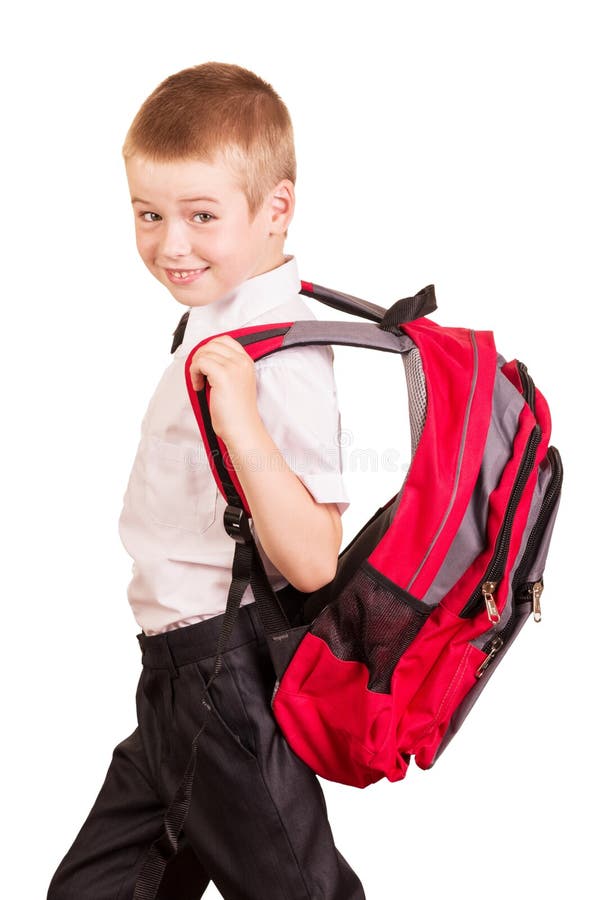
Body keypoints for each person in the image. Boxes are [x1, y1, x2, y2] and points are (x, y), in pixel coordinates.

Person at [47, 62, 366, 899]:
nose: (169, 244)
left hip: (223, 675)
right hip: (172, 681)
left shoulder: (281, 348)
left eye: (201, 216)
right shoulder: (216, 325)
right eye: (149, 214)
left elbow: (312, 562)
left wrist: (243, 420)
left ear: (276, 208)